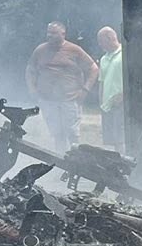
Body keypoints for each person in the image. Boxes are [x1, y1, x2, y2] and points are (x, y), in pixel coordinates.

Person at [25, 21, 98, 151]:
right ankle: (60, 160)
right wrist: (32, 89)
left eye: (53, 33)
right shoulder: (40, 50)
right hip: (48, 100)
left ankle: (76, 160)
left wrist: (85, 89)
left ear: (63, 34)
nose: (49, 35)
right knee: (57, 134)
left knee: (72, 134)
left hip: (70, 99)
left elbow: (93, 68)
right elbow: (30, 69)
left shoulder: (74, 50)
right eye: (48, 32)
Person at [94, 25, 126, 149]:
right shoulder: (103, 58)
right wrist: (100, 100)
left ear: (110, 37)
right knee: (112, 139)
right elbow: (102, 81)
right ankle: (118, 161)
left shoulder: (124, 54)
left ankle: (125, 162)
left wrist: (124, 95)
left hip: (121, 103)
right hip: (107, 105)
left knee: (121, 137)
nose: (100, 44)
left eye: (101, 41)